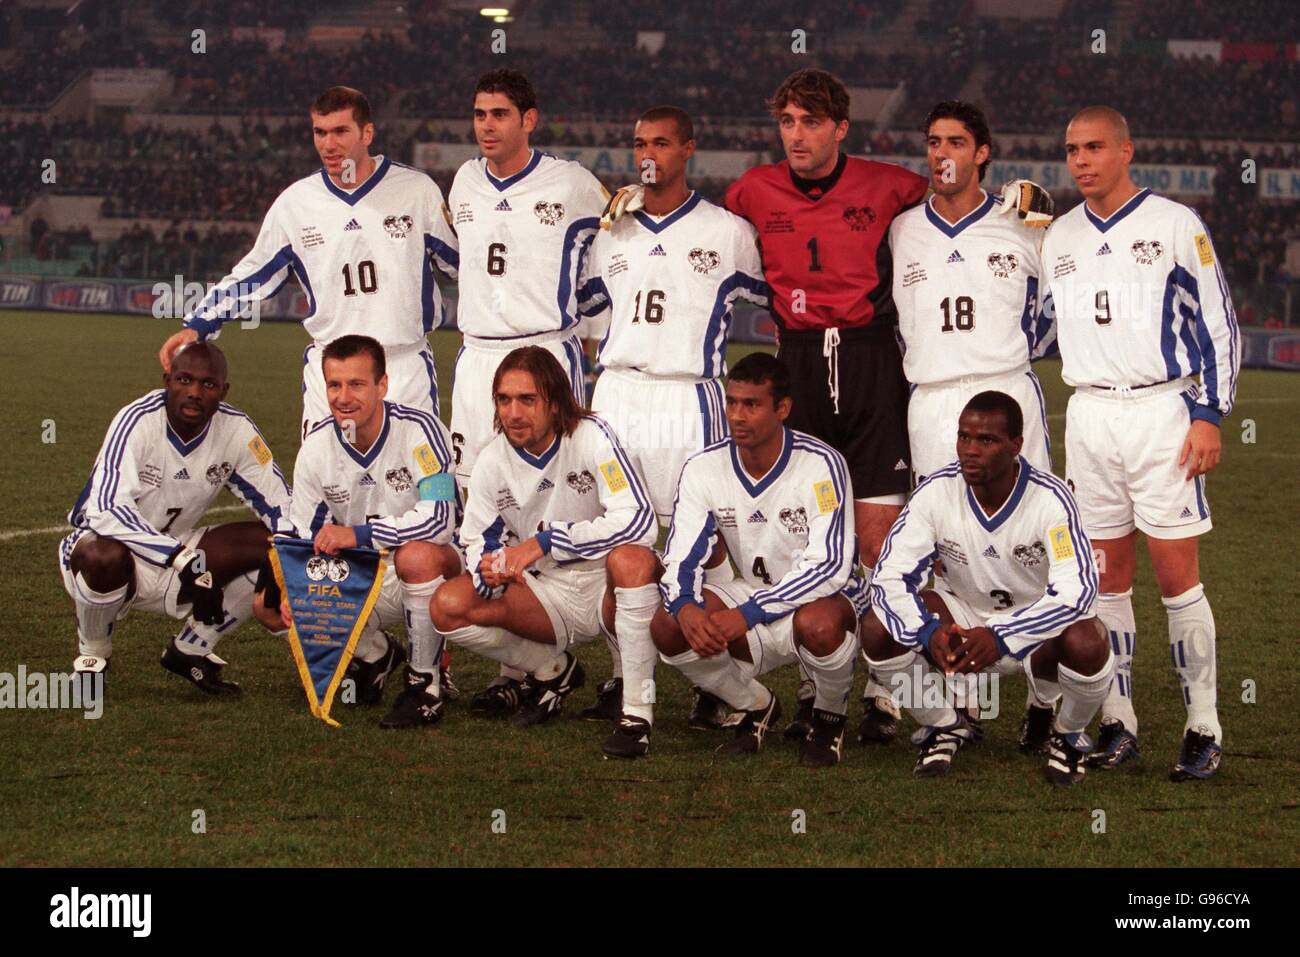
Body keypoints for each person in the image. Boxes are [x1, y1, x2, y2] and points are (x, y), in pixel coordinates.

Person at [725, 70, 1054, 743]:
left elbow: (956, 188)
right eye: (787, 121)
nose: (797, 135)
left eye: (811, 122)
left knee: (885, 541)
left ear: (841, 128)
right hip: (799, 359)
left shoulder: (893, 190)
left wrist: (1017, 193)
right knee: (808, 531)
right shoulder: (748, 191)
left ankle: (889, 692)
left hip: (876, 366)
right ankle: (824, 690)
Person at [1040, 106, 1240, 781]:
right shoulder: (1058, 236)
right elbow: (1036, 329)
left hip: (1162, 413)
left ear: (1127, 149)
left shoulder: (1176, 225)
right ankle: (1119, 719)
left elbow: (1219, 326)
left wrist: (1210, 413)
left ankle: (1204, 725)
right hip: (1090, 417)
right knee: (1105, 580)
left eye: (1095, 147)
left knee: (1178, 579)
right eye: (1072, 150)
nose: (1082, 160)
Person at [576, 105, 770, 733]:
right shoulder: (614, 230)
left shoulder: (727, 230)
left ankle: (719, 677)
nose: (648, 153)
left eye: (660, 141)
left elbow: (771, 304)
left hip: (691, 397)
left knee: (705, 536)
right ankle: (625, 674)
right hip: (619, 394)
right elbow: (587, 316)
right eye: (638, 143)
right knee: (619, 539)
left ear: (689, 148)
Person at [157, 86, 459, 441]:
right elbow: (252, 275)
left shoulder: (416, 191)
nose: (329, 145)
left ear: (367, 133)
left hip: (401, 367)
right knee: (327, 489)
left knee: (424, 483)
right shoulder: (296, 204)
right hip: (330, 372)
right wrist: (199, 324)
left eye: (340, 131)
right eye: (320, 132)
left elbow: (462, 263)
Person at [862, 392, 1113, 784]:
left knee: (1089, 639)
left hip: (1033, 629)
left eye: (987, 440)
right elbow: (889, 577)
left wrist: (1001, 636)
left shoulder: (1050, 498)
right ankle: (943, 725)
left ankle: (1067, 735)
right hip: (963, 622)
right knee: (878, 626)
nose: (970, 451)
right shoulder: (936, 492)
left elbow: (1077, 590)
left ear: (1016, 445)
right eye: (964, 437)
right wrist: (927, 632)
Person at [430, 347, 659, 740]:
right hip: (545, 594)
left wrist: (549, 540)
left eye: (527, 399)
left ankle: (636, 713)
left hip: (605, 584)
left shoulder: (592, 437)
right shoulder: (491, 461)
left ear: (554, 402)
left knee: (634, 561)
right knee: (448, 606)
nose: (514, 413)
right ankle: (551, 669)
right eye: (504, 399)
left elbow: (639, 520)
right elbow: (476, 539)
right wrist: (488, 570)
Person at [654, 353, 864, 766]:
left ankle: (829, 716)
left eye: (752, 404)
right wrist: (684, 606)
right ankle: (755, 704)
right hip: (751, 591)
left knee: (818, 625)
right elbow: (680, 555)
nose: (738, 415)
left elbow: (830, 566)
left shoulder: (821, 464)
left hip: (818, 600)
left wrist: (749, 613)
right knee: (666, 625)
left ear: (782, 409)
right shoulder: (703, 468)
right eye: (732, 403)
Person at [58, 342, 292, 693]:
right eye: (184, 379)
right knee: (102, 554)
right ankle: (93, 655)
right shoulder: (136, 419)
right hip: (107, 550)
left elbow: (283, 509)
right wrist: (184, 561)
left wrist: (282, 580)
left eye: (208, 385)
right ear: (167, 380)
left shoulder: (236, 430)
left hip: (179, 552)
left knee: (276, 547)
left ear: (223, 391)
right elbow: (105, 511)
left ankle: (191, 649)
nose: (195, 392)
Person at [259, 335, 461, 728]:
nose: (343, 397)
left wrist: (358, 535)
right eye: (334, 385)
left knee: (415, 555)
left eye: (356, 384)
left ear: (382, 385)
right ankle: (376, 654)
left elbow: (440, 520)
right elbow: (303, 531)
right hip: (363, 575)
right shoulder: (317, 446)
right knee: (268, 606)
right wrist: (294, 587)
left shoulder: (420, 431)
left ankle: (425, 685)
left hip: (435, 572)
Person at [447, 69, 608, 485]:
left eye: (500, 114)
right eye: (480, 114)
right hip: (477, 354)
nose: (487, 124)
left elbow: (614, 241)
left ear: (529, 120)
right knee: (471, 483)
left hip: (544, 353)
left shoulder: (571, 183)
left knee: (559, 483)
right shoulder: (464, 180)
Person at [890, 101, 1054, 482]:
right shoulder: (901, 230)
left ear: (982, 153)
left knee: (1026, 524)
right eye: (934, 143)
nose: (941, 154)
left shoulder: (1021, 223)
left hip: (1007, 390)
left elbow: (1059, 302)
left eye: (956, 143)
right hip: (932, 398)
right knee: (942, 528)